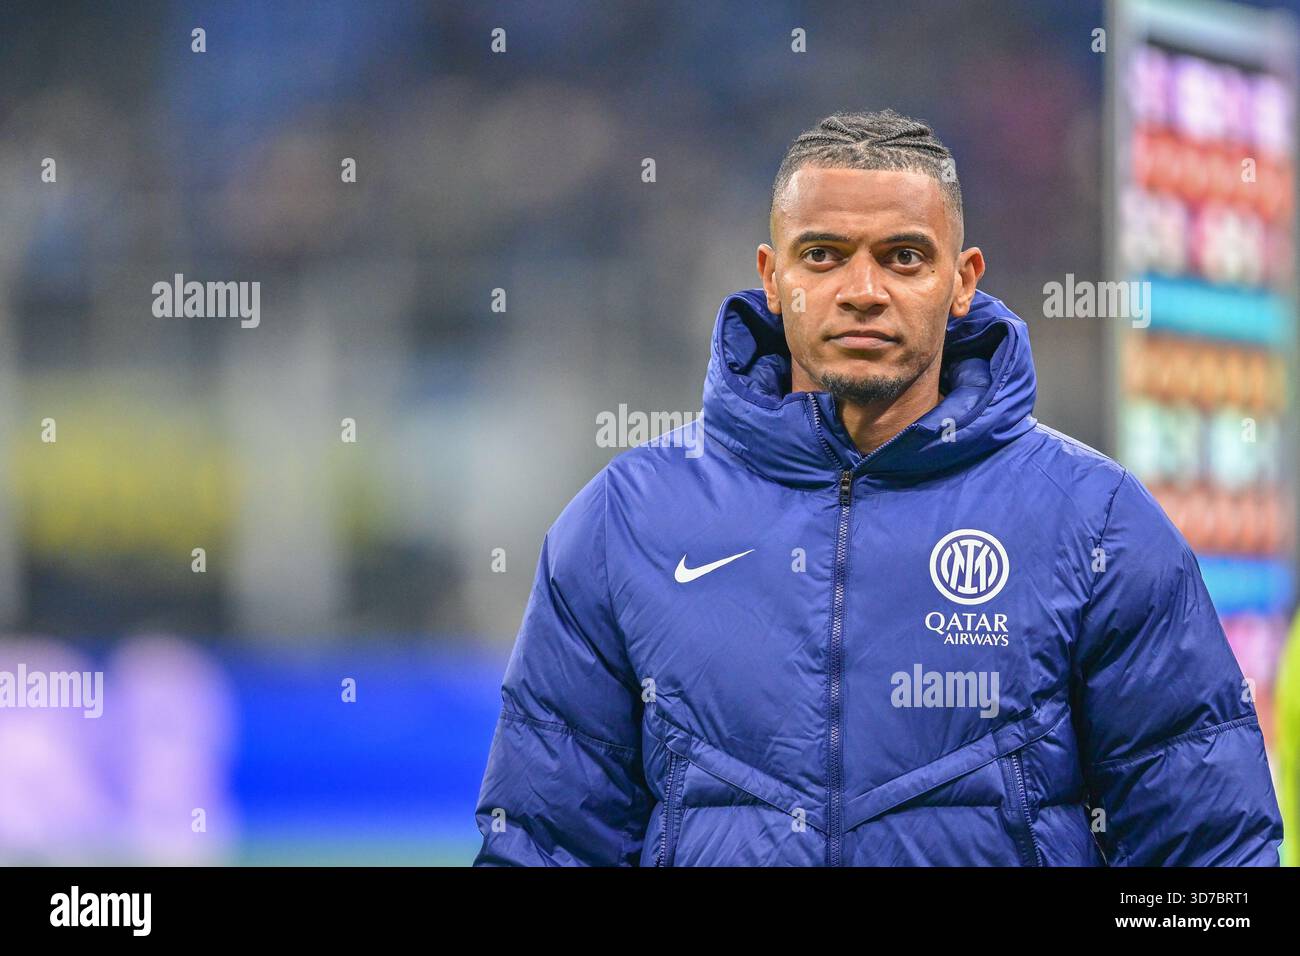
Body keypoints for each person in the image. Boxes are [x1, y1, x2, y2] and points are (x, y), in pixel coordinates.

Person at [472, 109, 1284, 866]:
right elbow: (543, 841)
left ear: (962, 280)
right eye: (823, 255)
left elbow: (1209, 859)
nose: (863, 289)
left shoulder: (1097, 523)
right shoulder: (627, 521)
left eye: (903, 257)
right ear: (771, 275)